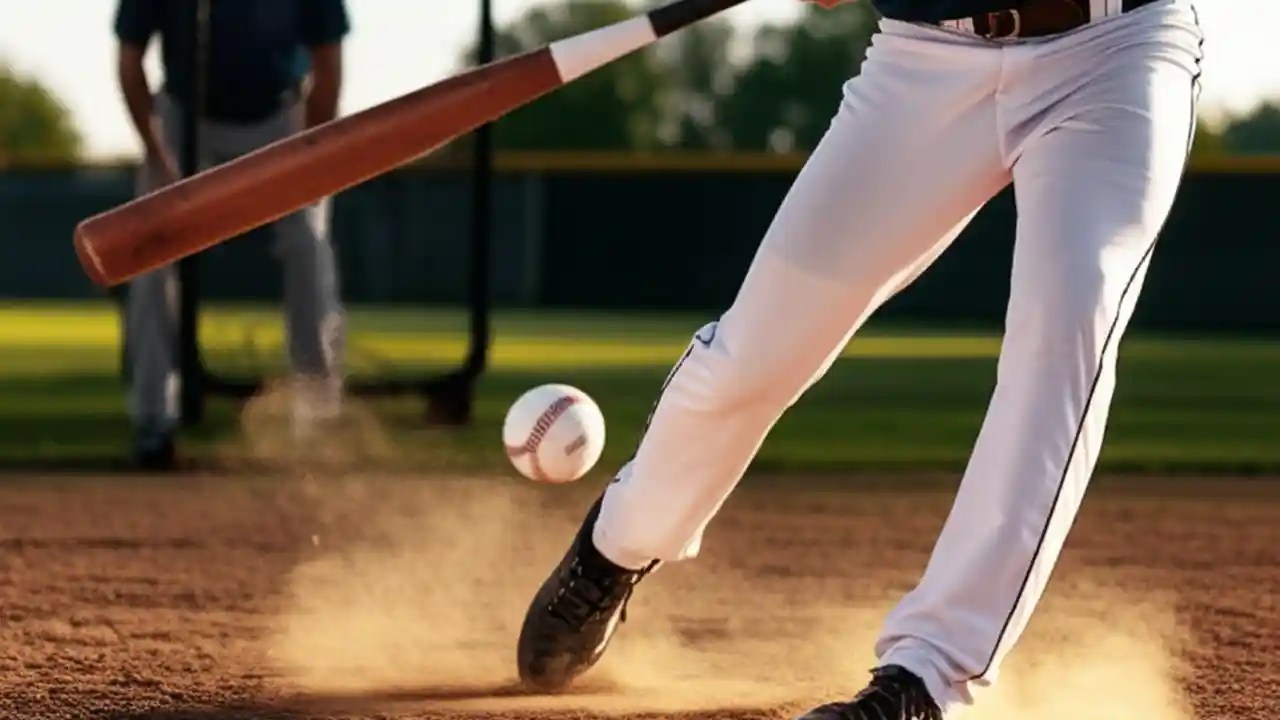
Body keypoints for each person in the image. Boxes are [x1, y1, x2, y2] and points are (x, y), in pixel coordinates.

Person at [515, 0, 1203, 718]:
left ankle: (927, 678)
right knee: (762, 345)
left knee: (1067, 324)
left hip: (1113, 53)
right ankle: (620, 543)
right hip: (926, 58)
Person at [113, 0, 350, 469]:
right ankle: (154, 421)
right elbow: (129, 60)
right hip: (182, 118)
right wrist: (160, 155)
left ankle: (318, 416)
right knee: (151, 258)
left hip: (279, 117)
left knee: (306, 244)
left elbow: (329, 65)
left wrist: (309, 157)